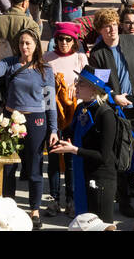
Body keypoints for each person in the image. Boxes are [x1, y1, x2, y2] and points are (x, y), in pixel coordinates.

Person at [0, 28, 58, 229]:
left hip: (36, 121)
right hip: (11, 120)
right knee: (9, 166)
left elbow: (50, 102)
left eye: (28, 43)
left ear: (36, 46)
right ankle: (10, 206)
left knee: (34, 167)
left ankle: (34, 209)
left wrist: (53, 129)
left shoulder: (45, 69)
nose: (24, 47)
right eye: (21, 43)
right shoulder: (10, 63)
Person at [89, 7, 134, 217]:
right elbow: (100, 84)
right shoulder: (98, 54)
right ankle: (124, 201)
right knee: (122, 156)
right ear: (100, 31)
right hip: (117, 110)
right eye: (107, 27)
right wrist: (114, 95)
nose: (112, 29)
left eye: (114, 24)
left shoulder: (132, 41)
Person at [50, 67, 119, 224]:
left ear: (94, 89)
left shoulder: (106, 114)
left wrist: (74, 150)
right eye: (77, 82)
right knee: (83, 223)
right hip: (83, 174)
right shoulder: (82, 108)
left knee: (101, 225)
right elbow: (71, 133)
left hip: (101, 178)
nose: (75, 86)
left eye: (81, 83)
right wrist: (59, 139)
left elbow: (103, 156)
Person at [45, 23, 88, 216]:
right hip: (53, 115)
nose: (63, 43)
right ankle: (54, 199)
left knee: (71, 159)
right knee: (54, 159)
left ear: (74, 41)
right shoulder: (47, 58)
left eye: (68, 39)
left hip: (74, 116)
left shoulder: (80, 58)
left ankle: (71, 200)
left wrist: (76, 89)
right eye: (60, 39)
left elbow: (88, 84)